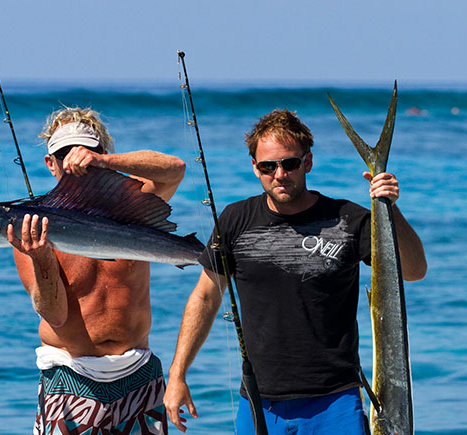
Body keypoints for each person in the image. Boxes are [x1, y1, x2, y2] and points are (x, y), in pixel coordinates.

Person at [163, 109, 427, 434]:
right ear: (255, 168)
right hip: (259, 403)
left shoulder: (349, 219)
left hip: (335, 402)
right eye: (268, 166)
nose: (280, 174)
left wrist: (390, 206)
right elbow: (204, 297)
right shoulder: (235, 220)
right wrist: (177, 375)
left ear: (308, 162)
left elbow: (415, 270)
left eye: (290, 163)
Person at [8, 107, 186, 435]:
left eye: (87, 151)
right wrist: (43, 258)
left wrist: (105, 164)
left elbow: (174, 169)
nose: (75, 161)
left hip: (138, 371)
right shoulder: (30, 226)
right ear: (50, 163)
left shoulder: (133, 207)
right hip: (70, 375)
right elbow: (55, 314)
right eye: (65, 154)